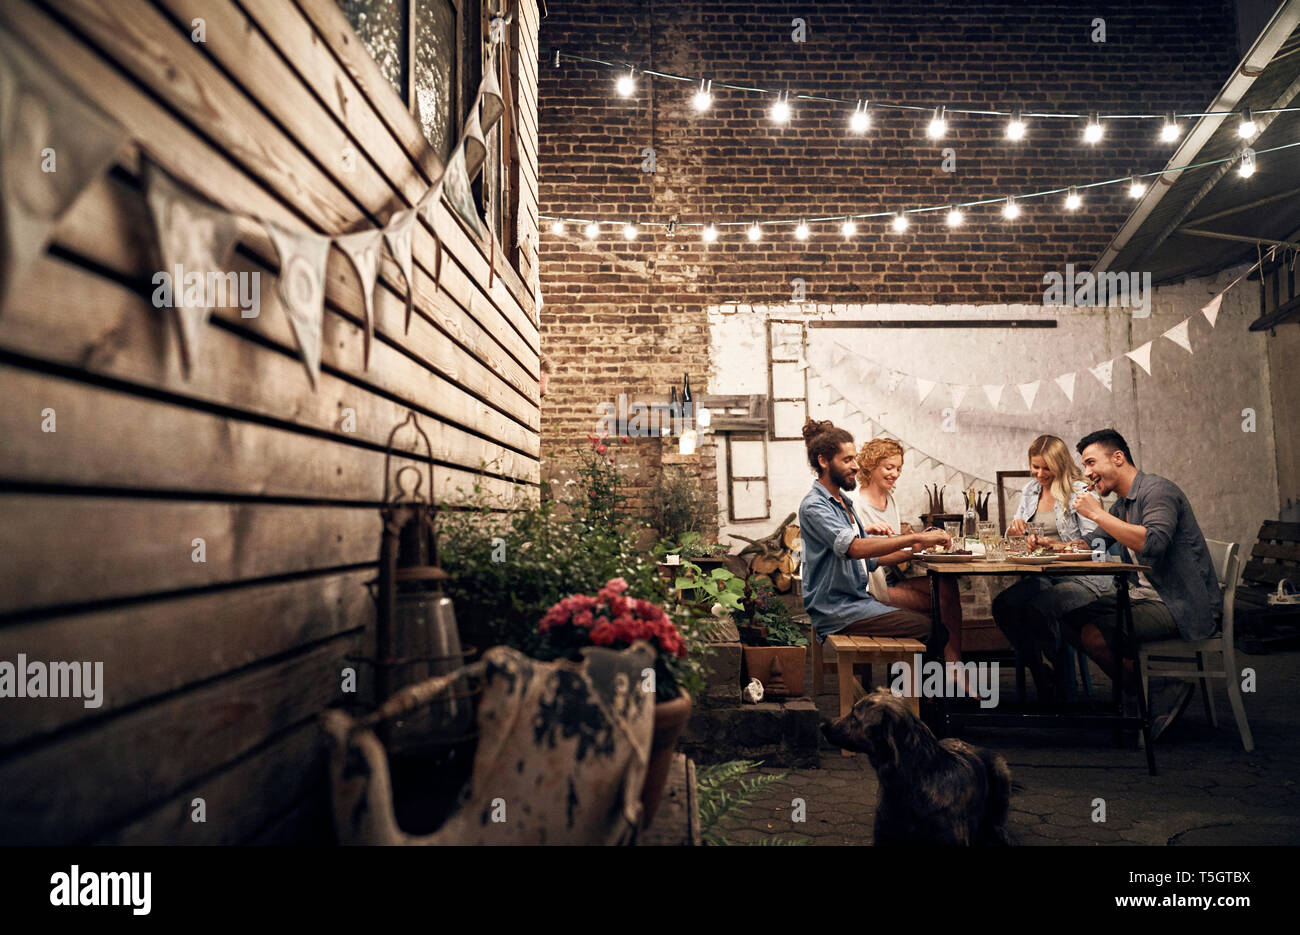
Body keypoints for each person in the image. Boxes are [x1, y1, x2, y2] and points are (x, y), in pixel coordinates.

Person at [1060, 428, 1221, 738]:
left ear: (1118, 458)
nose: (1088, 474)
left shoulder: (1158, 492)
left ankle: (1153, 692)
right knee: (1067, 619)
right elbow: (1096, 540)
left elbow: (1154, 543)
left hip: (1180, 602)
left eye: (1092, 463)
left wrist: (1096, 512)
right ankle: (1148, 689)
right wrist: (1056, 546)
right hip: (1148, 596)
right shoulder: (1124, 503)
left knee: (1094, 635)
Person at [796, 419, 957, 660]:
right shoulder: (815, 506)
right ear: (823, 461)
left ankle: (919, 694)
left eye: (855, 458)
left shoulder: (843, 503)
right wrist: (912, 537)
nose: (855, 466)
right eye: (847, 460)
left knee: (932, 624)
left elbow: (871, 560)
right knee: (929, 629)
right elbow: (856, 548)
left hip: (856, 602)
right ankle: (916, 696)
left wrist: (915, 548)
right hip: (837, 610)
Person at [992, 434, 1112, 699]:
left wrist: (1056, 547)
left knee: (1039, 608)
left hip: (1083, 577)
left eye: (1046, 467)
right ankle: (1040, 672)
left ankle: (1063, 680)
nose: (1040, 473)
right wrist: (1015, 532)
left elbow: (1095, 545)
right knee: (1003, 605)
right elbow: (1017, 537)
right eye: (1035, 467)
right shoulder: (1030, 491)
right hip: (1044, 574)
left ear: (1061, 463)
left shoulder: (1081, 491)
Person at [855, 437, 965, 664]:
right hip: (870, 585)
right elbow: (866, 557)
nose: (895, 474)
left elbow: (894, 542)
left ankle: (951, 662)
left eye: (898, 468)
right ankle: (948, 665)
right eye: (888, 467)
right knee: (941, 604)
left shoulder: (889, 498)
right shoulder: (856, 503)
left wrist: (920, 545)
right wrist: (913, 548)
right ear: (870, 466)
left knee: (946, 586)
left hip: (892, 578)